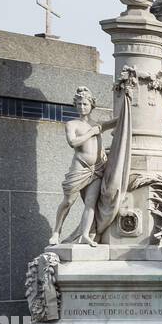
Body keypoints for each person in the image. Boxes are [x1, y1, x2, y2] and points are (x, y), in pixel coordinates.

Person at [49, 87, 120, 246]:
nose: (82, 107)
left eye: (85, 104)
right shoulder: (72, 124)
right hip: (79, 167)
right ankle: (56, 231)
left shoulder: (98, 124)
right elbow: (73, 142)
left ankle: (85, 235)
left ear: (91, 105)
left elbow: (117, 121)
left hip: (97, 169)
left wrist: (129, 102)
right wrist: (90, 133)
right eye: (79, 104)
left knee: (90, 202)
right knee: (68, 201)